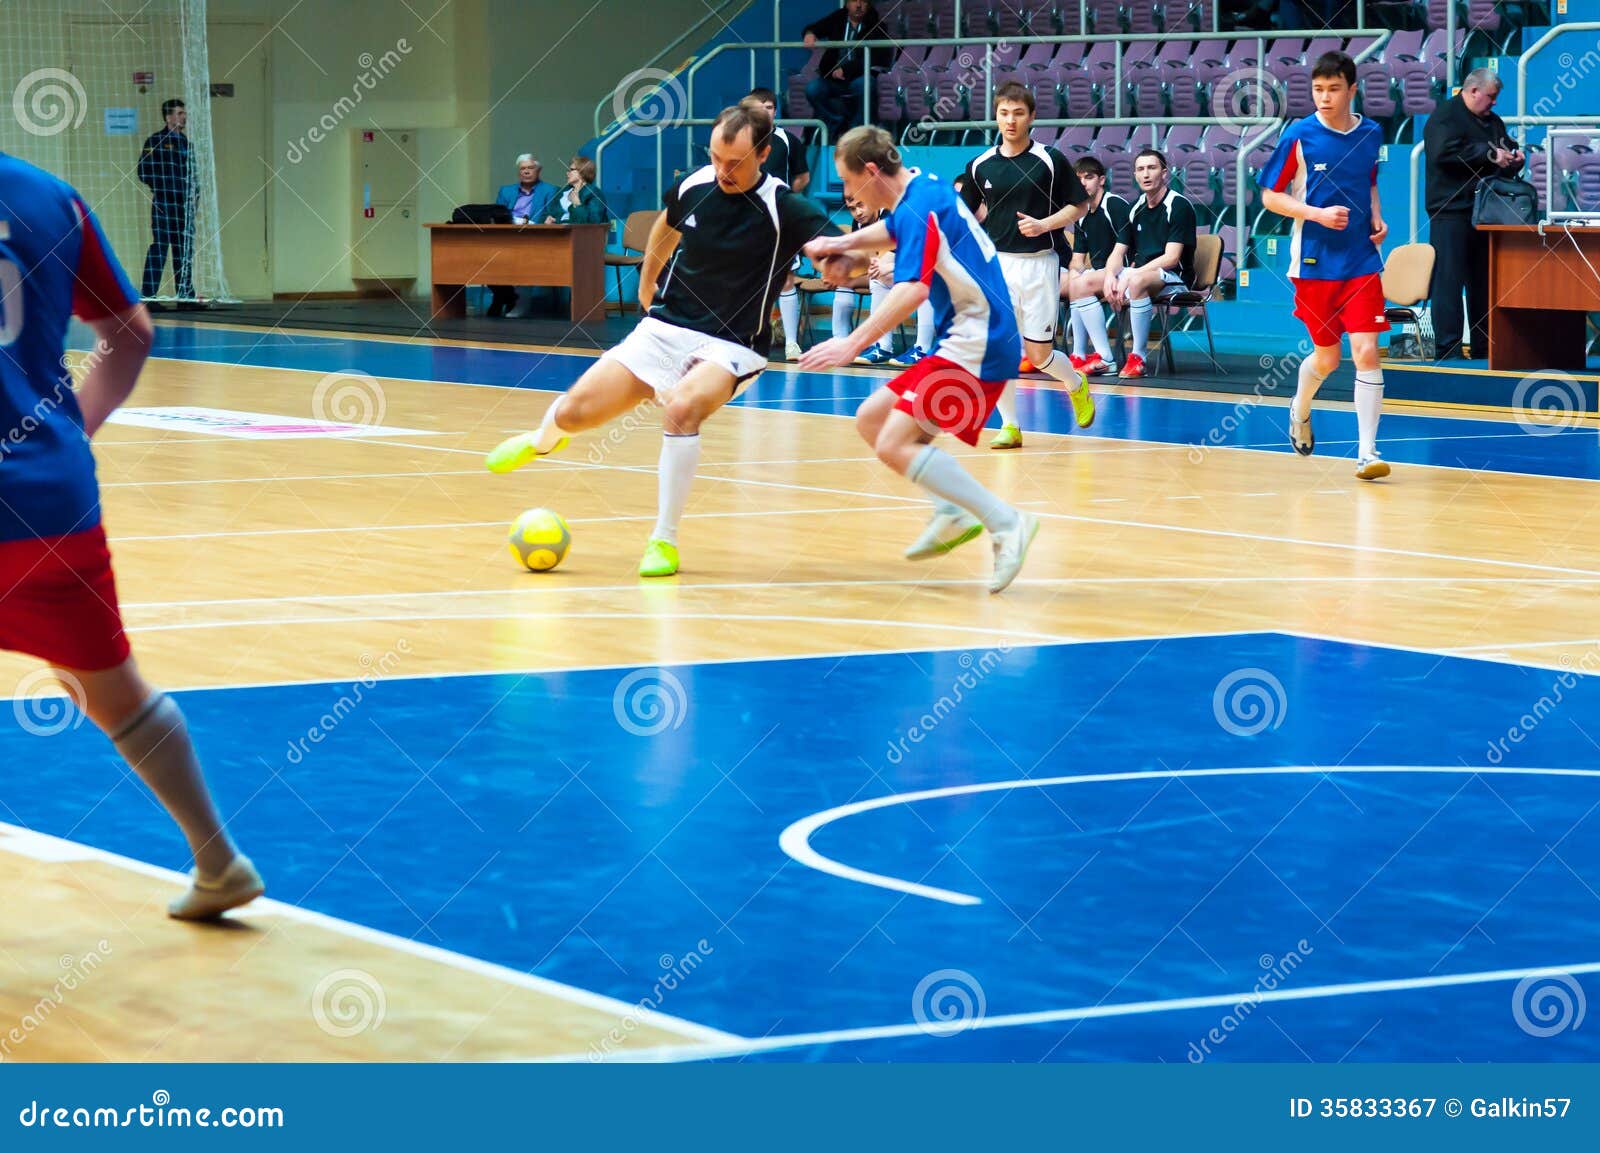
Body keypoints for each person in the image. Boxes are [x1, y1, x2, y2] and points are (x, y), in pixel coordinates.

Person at [0, 151, 263, 919]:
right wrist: (64, 434)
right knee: (116, 693)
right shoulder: (49, 198)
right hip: (48, 503)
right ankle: (218, 857)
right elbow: (130, 334)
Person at [484, 101, 833, 578]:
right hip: (666, 328)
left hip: (732, 344)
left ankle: (663, 541)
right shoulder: (694, 185)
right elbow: (666, 226)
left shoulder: (786, 208)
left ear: (764, 154)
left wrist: (847, 259)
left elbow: (830, 248)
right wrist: (648, 280)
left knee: (681, 409)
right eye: (715, 157)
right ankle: (542, 441)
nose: (722, 170)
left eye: (735, 162)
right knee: (571, 413)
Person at [799, 126, 1039, 594]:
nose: (847, 195)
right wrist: (840, 244)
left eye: (848, 184)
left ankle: (1007, 522)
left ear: (871, 172)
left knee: (893, 443)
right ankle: (950, 512)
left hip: (982, 340)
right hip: (967, 334)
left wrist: (851, 343)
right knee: (871, 419)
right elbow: (890, 230)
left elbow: (912, 289)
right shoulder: (920, 188)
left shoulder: (919, 206)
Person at [1259, 50, 1391, 480]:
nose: (1324, 97)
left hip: (1361, 260)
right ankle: (1300, 407)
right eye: (1318, 89)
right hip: (1314, 262)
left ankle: (1367, 453)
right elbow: (1270, 197)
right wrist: (1316, 214)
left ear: (1352, 90)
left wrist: (1376, 215)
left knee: (1367, 351)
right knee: (1327, 359)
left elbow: (1368, 178)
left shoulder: (1371, 132)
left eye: (1334, 89)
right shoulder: (1298, 134)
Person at [960, 81, 1094, 449]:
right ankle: (1011, 426)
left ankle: (1075, 383)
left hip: (1040, 265)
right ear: (996, 116)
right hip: (998, 266)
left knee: (1039, 355)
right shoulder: (980, 164)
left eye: (1019, 113)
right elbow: (963, 213)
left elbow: (1079, 205)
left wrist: (1045, 225)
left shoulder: (1050, 160)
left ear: (1031, 117)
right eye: (1004, 113)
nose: (1011, 120)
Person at [1423, 67, 1523, 361]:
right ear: (1473, 91)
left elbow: (1504, 149)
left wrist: (1514, 159)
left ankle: (1485, 348)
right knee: (1449, 282)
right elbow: (1442, 153)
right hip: (1450, 210)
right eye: (1490, 97)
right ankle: (1448, 350)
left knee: (1483, 283)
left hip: (1485, 213)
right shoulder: (1444, 117)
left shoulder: (1493, 122)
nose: (1493, 103)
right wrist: (1489, 154)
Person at [1102, 149, 1197, 378]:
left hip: (1174, 278)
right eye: (1141, 169)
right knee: (1083, 283)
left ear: (1164, 173)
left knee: (1136, 280)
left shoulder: (1179, 205)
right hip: (1142, 274)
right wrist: (1108, 276)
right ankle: (1101, 357)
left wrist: (1127, 276)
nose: (1146, 174)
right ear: (1135, 175)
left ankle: (1138, 358)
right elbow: (1118, 251)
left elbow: (1171, 258)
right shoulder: (1135, 208)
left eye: (1152, 168)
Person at [749, 87, 812, 361]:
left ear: (776, 110)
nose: (765, 111)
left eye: (770, 107)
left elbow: (803, 177)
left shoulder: (788, 141)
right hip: (747, 219)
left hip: (780, 220)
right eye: (760, 106)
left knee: (785, 279)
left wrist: (783, 199)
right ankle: (752, 339)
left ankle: (791, 343)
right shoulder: (740, 138)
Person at [1060, 155, 1130, 377]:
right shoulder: (1081, 213)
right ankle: (1078, 355)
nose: (1082, 183)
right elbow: (1078, 258)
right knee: (1065, 282)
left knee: (1081, 284)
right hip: (1098, 274)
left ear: (1101, 180)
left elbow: (1124, 247)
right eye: (1078, 178)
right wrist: (1072, 274)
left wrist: (1104, 274)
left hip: (1125, 272)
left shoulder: (1114, 203)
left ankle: (1106, 358)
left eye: (1088, 177)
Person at [136, 98, 195, 305]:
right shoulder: (155, 141)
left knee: (184, 249)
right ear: (168, 117)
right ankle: (149, 296)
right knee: (160, 247)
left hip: (183, 205)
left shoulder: (187, 144)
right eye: (179, 113)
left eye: (184, 113)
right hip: (164, 202)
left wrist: (194, 200)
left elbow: (193, 174)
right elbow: (143, 171)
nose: (183, 117)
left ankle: (185, 295)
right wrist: (162, 186)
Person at [803, 0, 885, 142]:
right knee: (813, 88)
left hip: (859, 76)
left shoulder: (877, 26)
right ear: (847, 4)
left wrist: (846, 70)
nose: (858, 5)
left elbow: (876, 58)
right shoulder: (837, 18)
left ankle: (856, 131)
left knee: (865, 84)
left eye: (863, 1)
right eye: (854, 1)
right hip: (833, 79)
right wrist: (810, 33)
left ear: (868, 5)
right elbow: (815, 28)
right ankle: (834, 122)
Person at [489, 155, 558, 317]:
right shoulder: (506, 190)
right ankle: (504, 296)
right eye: (522, 168)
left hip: (535, 237)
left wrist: (531, 222)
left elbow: (551, 214)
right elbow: (497, 214)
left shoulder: (550, 190)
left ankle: (519, 302)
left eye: (530, 168)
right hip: (508, 235)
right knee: (487, 256)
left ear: (538, 170)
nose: (526, 171)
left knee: (522, 256)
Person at [542, 157, 608, 224]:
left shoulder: (594, 193)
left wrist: (578, 204)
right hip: (559, 232)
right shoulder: (562, 192)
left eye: (571, 170)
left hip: (581, 233)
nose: (567, 173)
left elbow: (594, 221)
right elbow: (549, 213)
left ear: (583, 172)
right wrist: (549, 219)